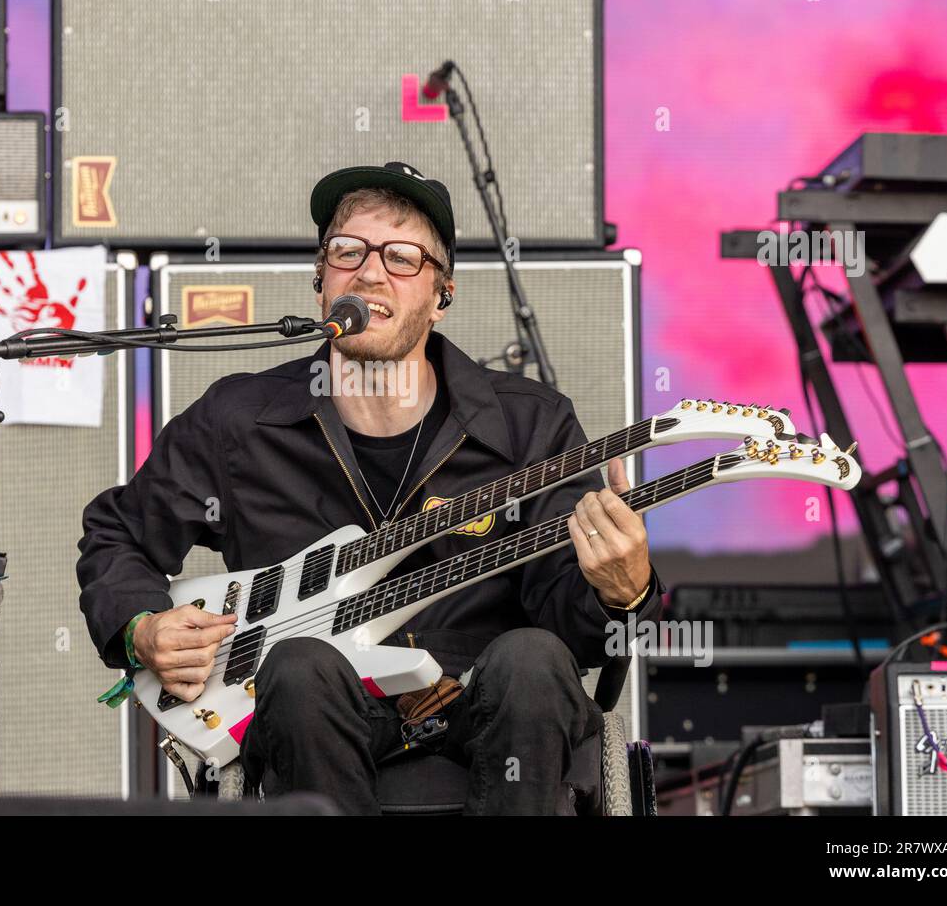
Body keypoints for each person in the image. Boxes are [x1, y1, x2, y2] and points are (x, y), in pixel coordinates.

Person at [77, 162, 663, 814]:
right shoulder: (240, 421)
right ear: (321, 281)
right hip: (320, 721)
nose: (372, 271)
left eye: (404, 257)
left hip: (489, 720)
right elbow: (118, 533)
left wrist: (622, 590)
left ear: (443, 293)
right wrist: (142, 627)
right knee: (298, 668)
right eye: (347, 250)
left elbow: (577, 637)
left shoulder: (531, 425)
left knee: (532, 658)